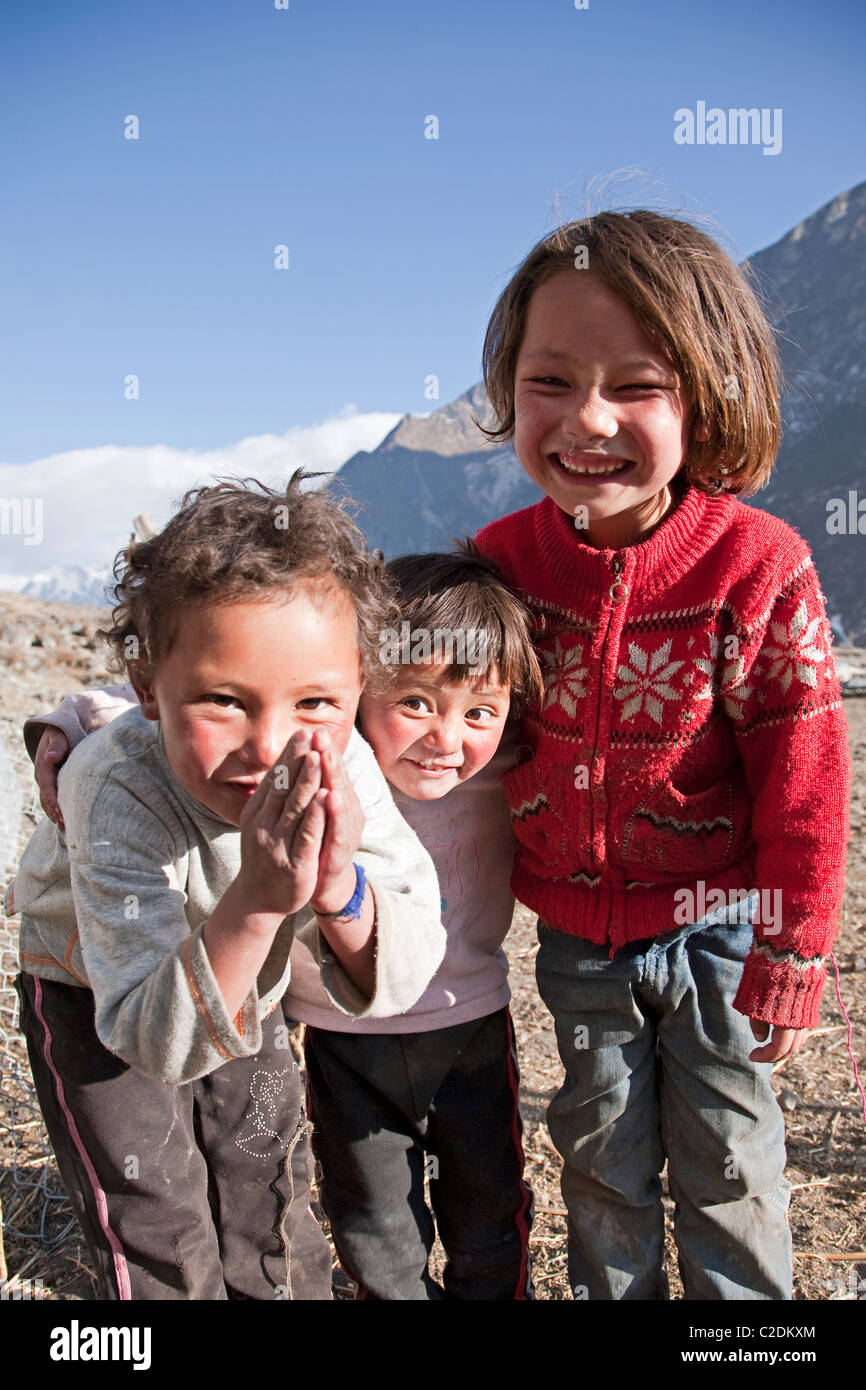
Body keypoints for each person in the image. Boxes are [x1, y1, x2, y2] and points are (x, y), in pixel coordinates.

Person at [473, 210, 851, 1300]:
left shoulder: (755, 567)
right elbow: (414, 717)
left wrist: (792, 951)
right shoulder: (495, 567)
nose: (585, 419)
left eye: (634, 384)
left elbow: (805, 782)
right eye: (549, 380)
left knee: (730, 1169)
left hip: (720, 938)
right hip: (579, 944)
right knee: (600, 1166)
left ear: (706, 395)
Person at [27, 547, 544, 1301]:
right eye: (227, 703)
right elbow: (149, 1031)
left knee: (262, 1175)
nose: (270, 746)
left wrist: (334, 886)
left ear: (348, 688)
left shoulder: (357, 756)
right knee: (157, 1200)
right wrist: (71, 721)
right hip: (95, 978)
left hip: (285, 989)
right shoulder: (116, 788)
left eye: (313, 702)